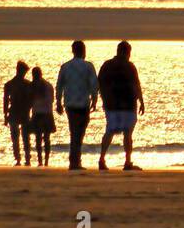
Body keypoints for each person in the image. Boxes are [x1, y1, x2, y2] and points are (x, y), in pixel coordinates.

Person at [97, 41, 145, 171]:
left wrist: (99, 99)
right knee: (127, 133)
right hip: (128, 105)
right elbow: (136, 85)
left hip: (111, 104)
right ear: (127, 52)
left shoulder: (107, 65)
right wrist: (141, 101)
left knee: (110, 131)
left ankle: (102, 159)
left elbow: (99, 84)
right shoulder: (129, 66)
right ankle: (127, 162)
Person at [56, 40, 99, 170]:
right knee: (79, 132)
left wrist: (58, 101)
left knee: (74, 131)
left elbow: (59, 85)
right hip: (83, 103)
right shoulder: (88, 66)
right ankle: (75, 161)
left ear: (73, 51)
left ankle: (74, 160)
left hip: (70, 103)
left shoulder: (65, 66)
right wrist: (95, 98)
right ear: (83, 51)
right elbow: (94, 84)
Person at [2, 60, 34, 166]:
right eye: (24, 72)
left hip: (19, 113)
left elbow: (6, 101)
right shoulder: (25, 84)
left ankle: (22, 158)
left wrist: (6, 115)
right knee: (21, 137)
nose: (24, 74)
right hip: (19, 113)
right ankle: (21, 158)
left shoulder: (11, 84)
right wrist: (5, 115)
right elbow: (6, 101)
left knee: (21, 137)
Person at [28, 66, 55, 166]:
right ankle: (46, 161)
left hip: (38, 114)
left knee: (38, 138)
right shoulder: (48, 85)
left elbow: (30, 101)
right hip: (47, 113)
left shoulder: (32, 86)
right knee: (46, 138)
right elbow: (52, 100)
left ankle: (40, 161)